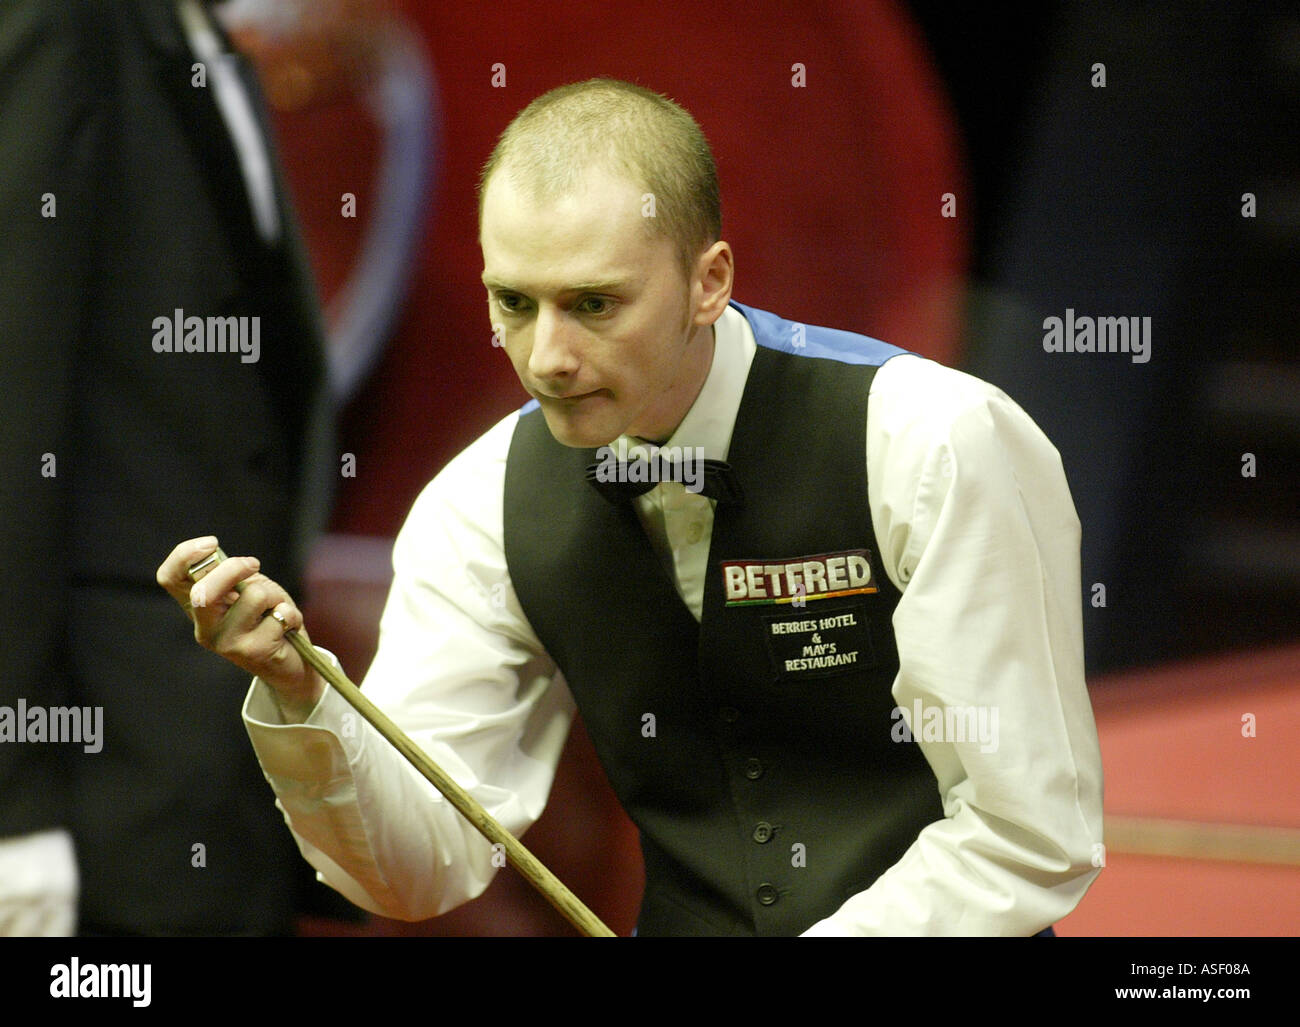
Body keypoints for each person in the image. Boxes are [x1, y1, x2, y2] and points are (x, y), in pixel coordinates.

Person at [157, 78, 1104, 936]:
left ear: (709, 282)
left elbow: (1026, 834)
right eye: (514, 302)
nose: (546, 357)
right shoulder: (481, 502)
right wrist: (302, 696)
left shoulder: (932, 439)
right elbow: (416, 869)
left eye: (595, 304)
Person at [0, 0, 336, 935]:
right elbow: (13, 386)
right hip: (102, 773)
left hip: (213, 759)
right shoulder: (58, 19)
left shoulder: (193, 26)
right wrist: (11, 810)